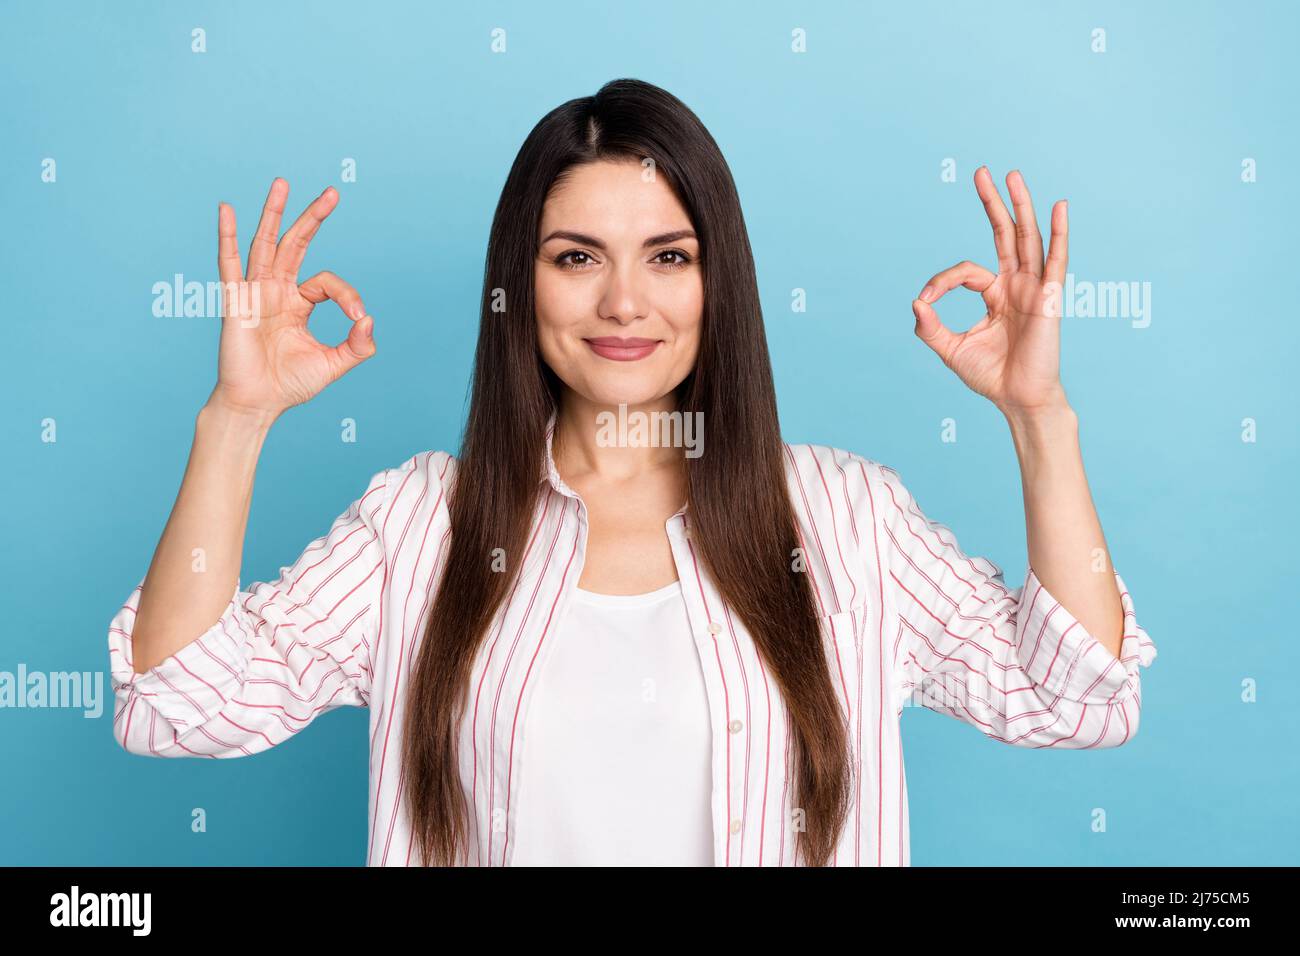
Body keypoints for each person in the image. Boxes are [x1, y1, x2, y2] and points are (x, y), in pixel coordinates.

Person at [106, 78, 1157, 867]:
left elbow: (1074, 699)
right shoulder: (421, 522)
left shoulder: (846, 517)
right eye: (575, 257)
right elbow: (180, 705)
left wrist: (1038, 417)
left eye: (667, 255)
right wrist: (236, 419)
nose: (623, 304)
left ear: (717, 280)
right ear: (518, 284)